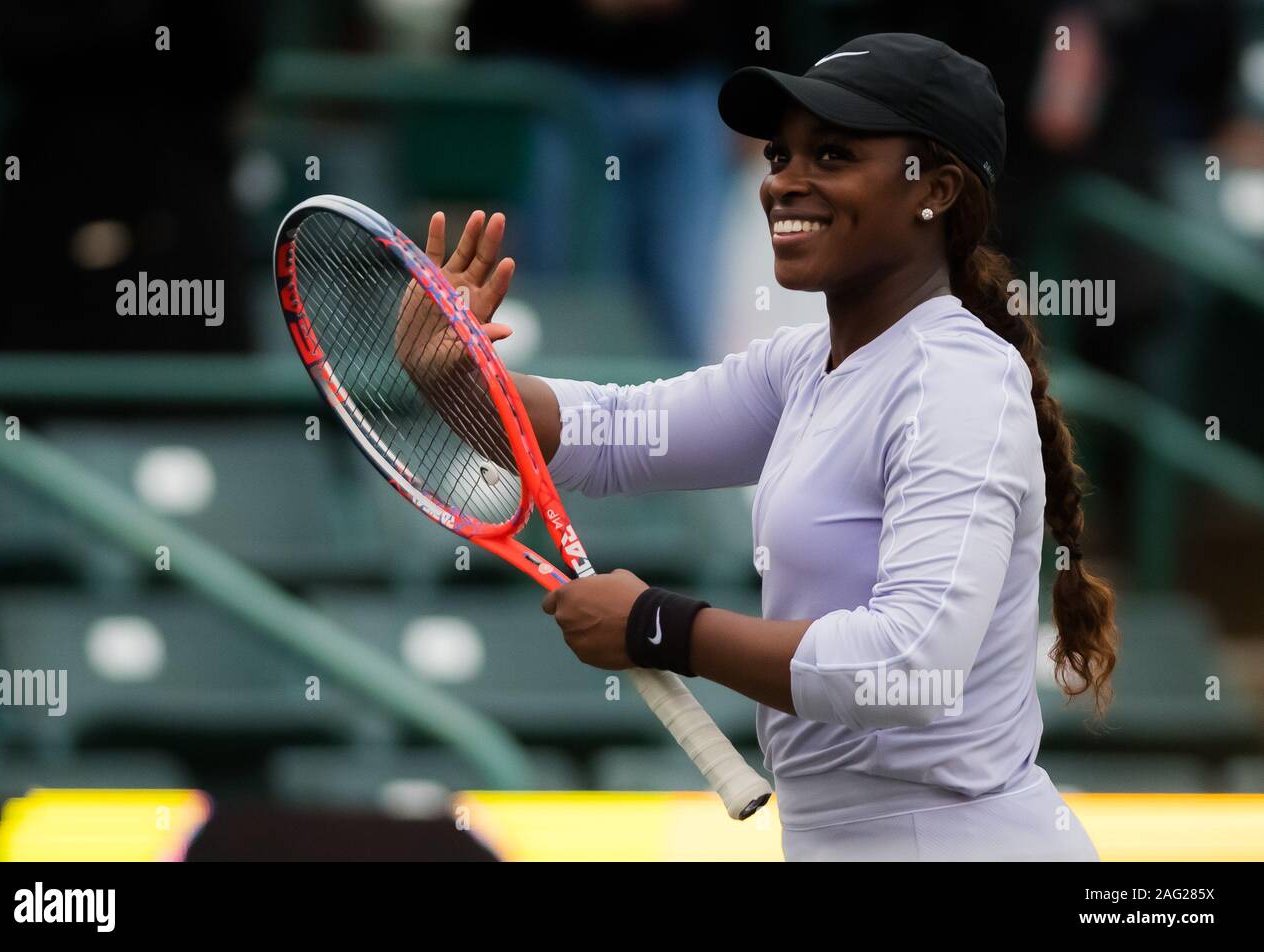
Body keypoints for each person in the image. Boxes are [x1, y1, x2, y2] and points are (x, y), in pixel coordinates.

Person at [424, 33, 1118, 861]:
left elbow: (908, 664)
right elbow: (607, 436)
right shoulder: (804, 366)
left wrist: (660, 626)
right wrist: (454, 375)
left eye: (831, 154)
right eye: (780, 154)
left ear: (933, 190)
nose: (785, 180)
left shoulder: (955, 382)